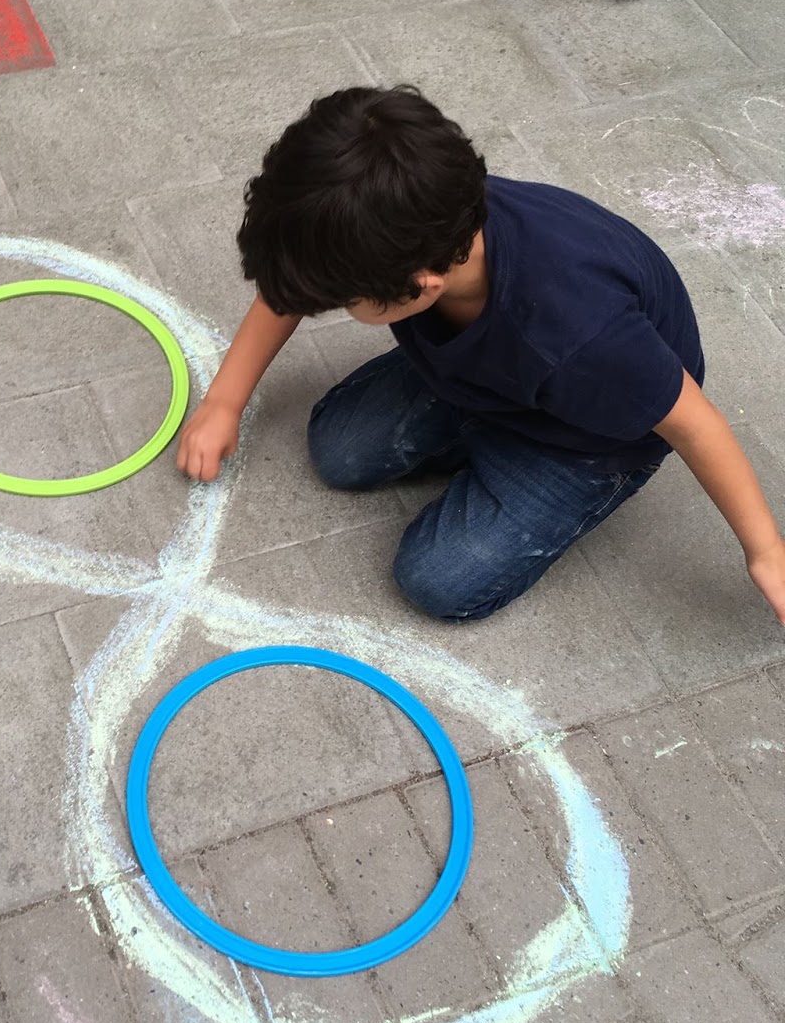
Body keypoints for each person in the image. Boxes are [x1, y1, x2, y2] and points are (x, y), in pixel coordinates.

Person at [176, 85, 785, 624]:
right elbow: (298, 277)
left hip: (585, 437)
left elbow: (696, 424)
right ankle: (480, 429)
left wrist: (767, 553)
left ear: (420, 287)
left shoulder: (582, 336)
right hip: (499, 374)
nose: (326, 306)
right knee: (337, 449)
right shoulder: (412, 208)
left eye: (343, 302)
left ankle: (511, 464)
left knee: (436, 580)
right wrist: (226, 399)